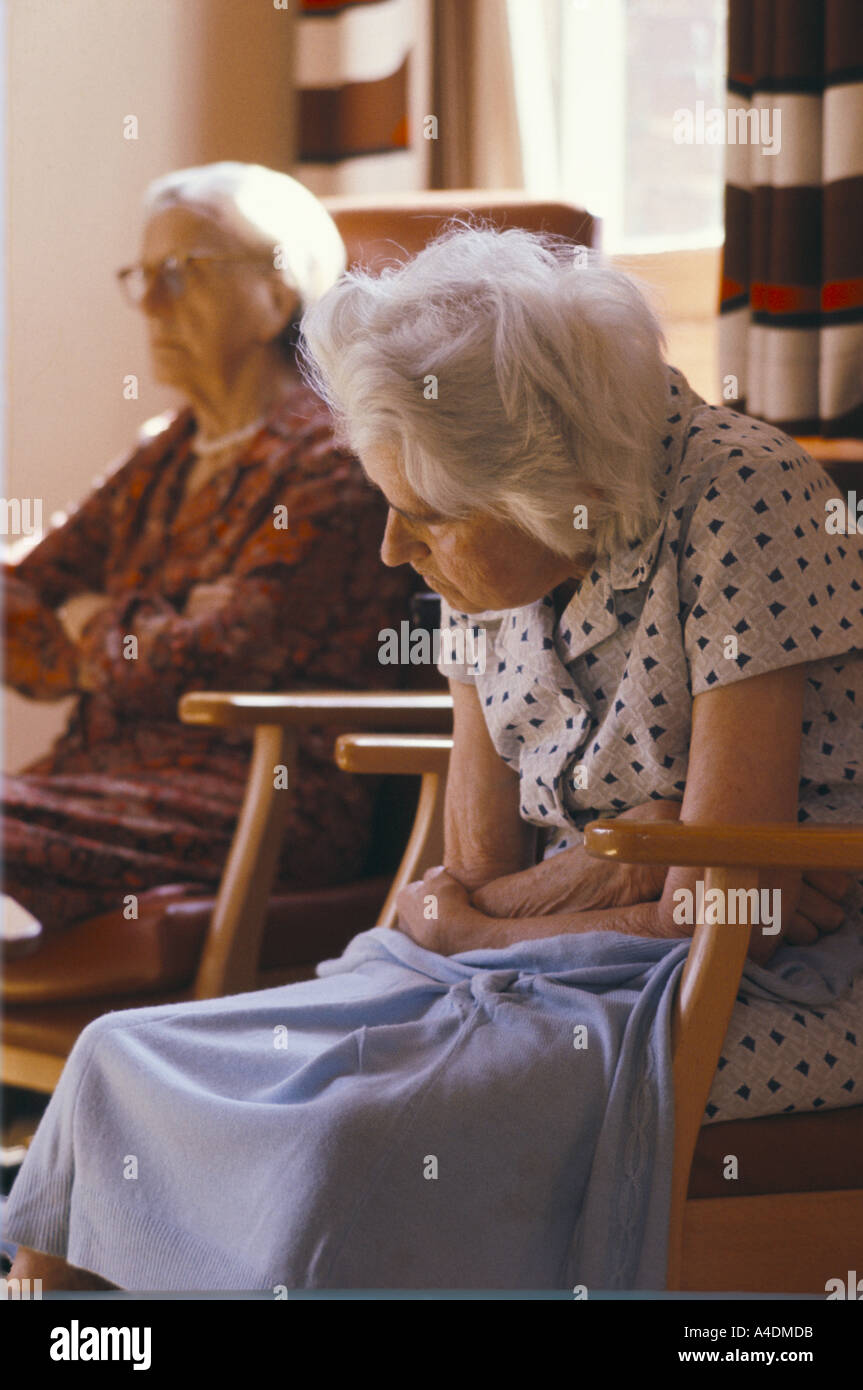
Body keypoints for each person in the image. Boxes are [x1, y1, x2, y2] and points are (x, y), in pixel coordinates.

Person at [5, 225, 862, 1293]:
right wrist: (607, 873)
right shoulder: (483, 557)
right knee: (114, 1062)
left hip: (751, 989)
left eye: (426, 520)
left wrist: (495, 915)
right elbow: (471, 870)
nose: (390, 549)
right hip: (501, 966)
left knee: (343, 1146)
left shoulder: (748, 495)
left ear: (555, 486)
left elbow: (718, 906)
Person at [2, 162, 421, 936]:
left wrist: (89, 619)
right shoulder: (164, 452)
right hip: (91, 787)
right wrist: (144, 627)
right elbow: (13, 602)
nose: (152, 305)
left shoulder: (335, 460)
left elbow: (224, 654)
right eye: (144, 276)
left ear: (276, 290)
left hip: (255, 797)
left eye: (183, 273)